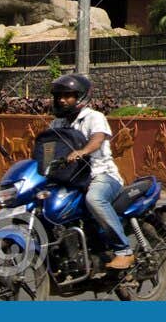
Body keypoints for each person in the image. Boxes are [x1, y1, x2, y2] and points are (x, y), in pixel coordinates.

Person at [50, 73, 135, 270]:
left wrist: (82, 151)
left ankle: (124, 251)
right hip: (71, 179)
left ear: (80, 97)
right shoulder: (57, 124)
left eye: (67, 95)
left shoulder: (94, 117)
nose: (61, 100)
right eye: (58, 96)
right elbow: (47, 146)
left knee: (94, 199)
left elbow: (97, 139)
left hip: (102, 175)